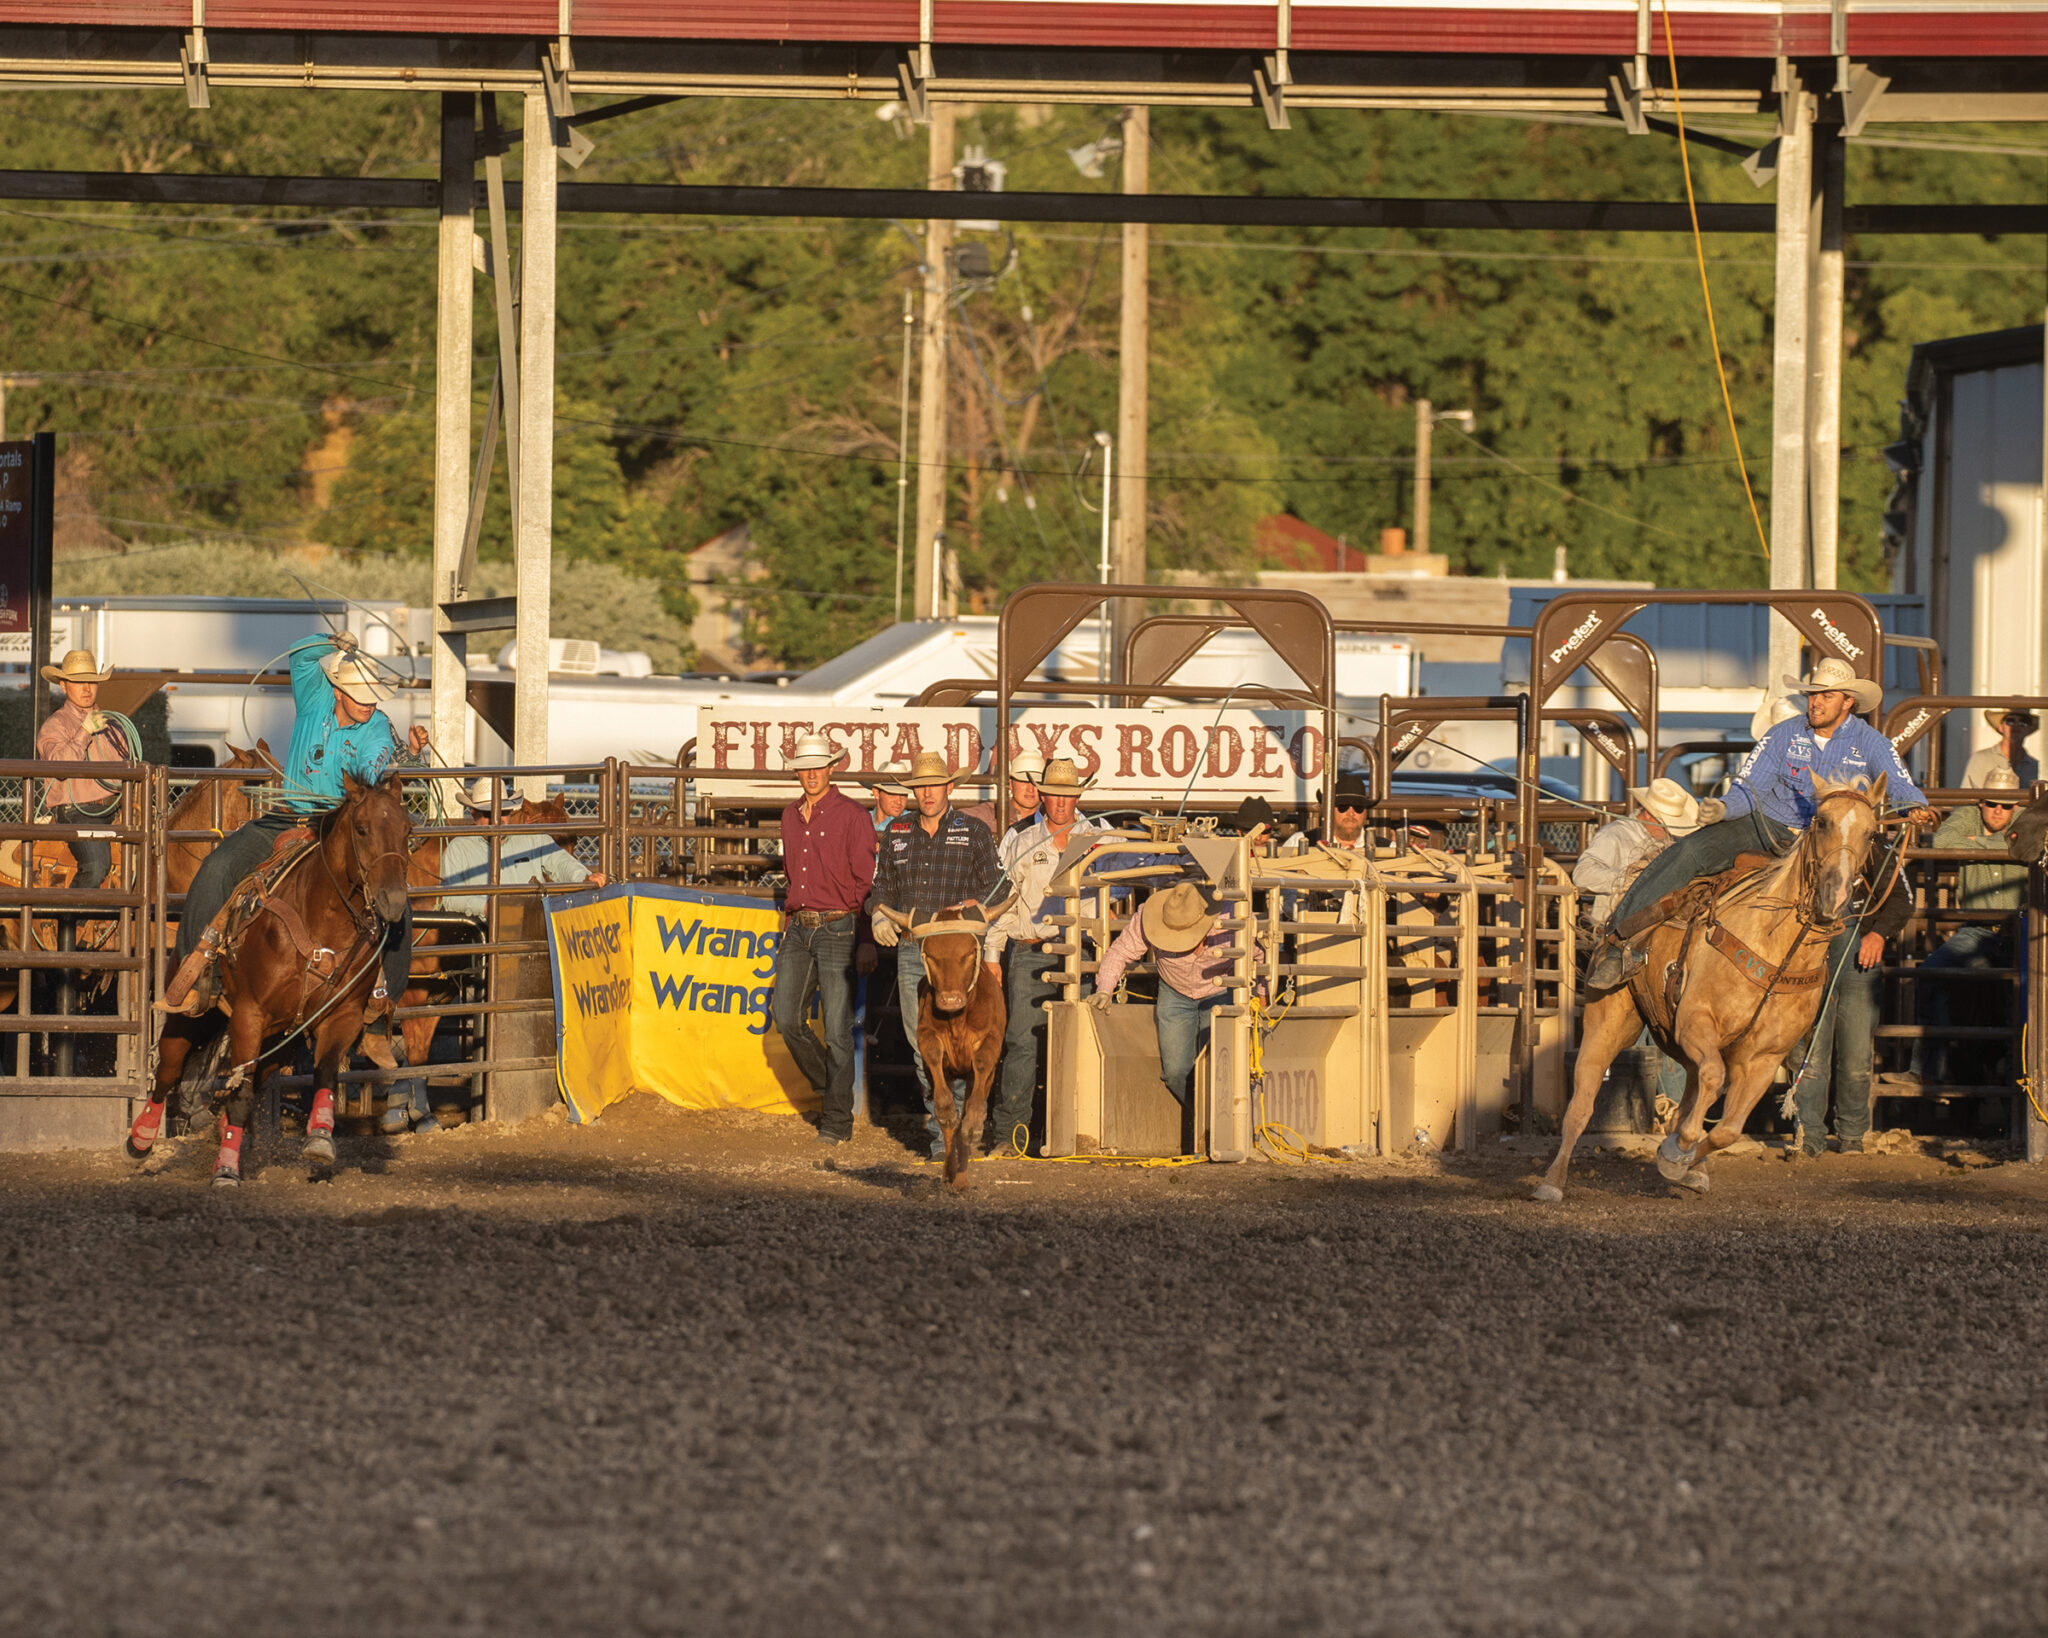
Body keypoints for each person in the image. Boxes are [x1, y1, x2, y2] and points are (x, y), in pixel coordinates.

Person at [1587, 656, 1932, 991]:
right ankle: (1618, 944)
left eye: (1827, 696)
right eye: (1813, 694)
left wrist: (1913, 806)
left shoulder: (1870, 742)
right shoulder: (1783, 735)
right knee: (1690, 850)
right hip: (1769, 823)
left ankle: (1829, 987)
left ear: (1848, 702)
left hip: (1828, 838)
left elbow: (1898, 782)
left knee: (1848, 894)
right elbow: (1750, 788)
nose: (1816, 703)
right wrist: (1723, 809)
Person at [165, 629, 429, 1021]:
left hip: (338, 828)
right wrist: (332, 642)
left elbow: (373, 767)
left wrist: (399, 762)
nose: (369, 703)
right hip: (286, 817)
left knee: (394, 900)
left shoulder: (377, 730)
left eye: (373, 695)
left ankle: (380, 1005)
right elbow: (300, 656)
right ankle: (196, 970)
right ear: (337, 690)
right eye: (360, 693)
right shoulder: (315, 699)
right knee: (216, 867)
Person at [868, 749, 1002, 1158]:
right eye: (920, 786)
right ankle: (946, 1134)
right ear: (913, 791)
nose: (927, 793)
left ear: (950, 787)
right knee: (923, 1043)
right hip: (917, 952)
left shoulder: (973, 832)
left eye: (934, 785)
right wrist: (878, 914)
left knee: (970, 1039)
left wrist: (975, 910)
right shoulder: (897, 833)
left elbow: (997, 887)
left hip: (962, 956)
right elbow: (882, 886)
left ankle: (958, 1134)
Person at [984, 757, 1109, 1151]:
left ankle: (1078, 1130)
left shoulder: (1101, 837)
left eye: (1068, 795)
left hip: (1082, 952)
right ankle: (1011, 1134)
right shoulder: (1022, 840)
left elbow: (1134, 872)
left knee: (1080, 1044)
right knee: (1022, 1042)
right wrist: (992, 954)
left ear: (1078, 796)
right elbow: (1004, 901)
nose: (1060, 802)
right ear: (1042, 794)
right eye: (1054, 793)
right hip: (1032, 950)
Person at [1884, 765, 2029, 1092]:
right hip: (1978, 930)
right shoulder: (1967, 816)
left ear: (2016, 807)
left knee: (2028, 998)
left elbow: (2029, 847)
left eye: (2007, 806)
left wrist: (1977, 844)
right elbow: (1945, 840)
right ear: (1981, 803)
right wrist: (2007, 848)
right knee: (1930, 972)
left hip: (2019, 930)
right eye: (1992, 803)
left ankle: (2024, 1078)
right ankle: (1928, 1069)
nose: (1998, 810)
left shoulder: (2022, 822)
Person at [768, 732, 877, 1148]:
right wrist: (791, 918)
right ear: (797, 771)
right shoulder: (790, 816)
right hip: (800, 925)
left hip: (839, 925)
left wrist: (864, 937)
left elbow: (865, 882)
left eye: (818, 766)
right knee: (787, 1018)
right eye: (804, 767)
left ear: (832, 768)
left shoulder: (852, 816)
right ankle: (834, 1092)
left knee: (835, 1028)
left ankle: (835, 1121)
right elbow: (796, 874)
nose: (811, 774)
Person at [1088, 880, 1257, 1109]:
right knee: (1176, 1073)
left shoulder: (1233, 915)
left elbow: (1259, 955)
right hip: (1174, 990)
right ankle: (1201, 1119)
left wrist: (1262, 995)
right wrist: (1105, 989)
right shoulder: (1149, 915)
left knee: (1221, 1066)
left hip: (1222, 989)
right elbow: (1119, 952)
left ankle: (1214, 1126)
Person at [1790, 858, 1913, 1157]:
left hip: (1859, 955)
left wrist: (1878, 933)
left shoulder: (1877, 850)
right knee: (1812, 1055)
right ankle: (1808, 1135)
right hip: (1813, 958)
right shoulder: (1811, 845)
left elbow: (1902, 899)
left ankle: (1851, 1136)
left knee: (1856, 1056)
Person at [438, 778, 606, 917]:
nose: (497, 819)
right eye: (489, 813)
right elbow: (451, 898)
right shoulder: (458, 848)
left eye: (503, 812)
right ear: (474, 815)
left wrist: (584, 877)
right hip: (482, 929)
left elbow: (562, 862)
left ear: (510, 812)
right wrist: (486, 907)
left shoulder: (535, 839)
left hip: (530, 922)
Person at [34, 648, 128, 891]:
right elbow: (60, 766)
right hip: (76, 812)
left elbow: (128, 763)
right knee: (96, 865)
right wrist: (84, 731)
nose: (87, 688)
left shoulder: (114, 724)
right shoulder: (55, 725)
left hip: (115, 807)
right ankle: (70, 922)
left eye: (92, 682)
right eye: (78, 682)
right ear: (64, 686)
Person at [1571, 778, 1699, 926]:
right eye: (1666, 825)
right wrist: (1628, 880)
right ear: (1648, 814)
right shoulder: (1614, 835)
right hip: (1615, 926)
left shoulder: (1670, 841)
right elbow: (1582, 875)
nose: (1670, 831)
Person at [960, 749, 1046, 836]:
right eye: (1024, 781)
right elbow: (953, 819)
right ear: (1011, 784)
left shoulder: (1052, 816)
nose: (1030, 789)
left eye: (1036, 782)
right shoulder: (990, 813)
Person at [1963, 709, 2039, 790]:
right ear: (2000, 727)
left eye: (2023, 722)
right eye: (2010, 721)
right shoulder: (1980, 758)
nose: (2016, 725)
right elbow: (1968, 796)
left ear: (2029, 729)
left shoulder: (2035, 766)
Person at [868, 761, 912, 831]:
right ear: (876, 793)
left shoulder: (914, 822)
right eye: (892, 793)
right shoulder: (862, 820)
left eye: (904, 794)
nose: (899, 801)